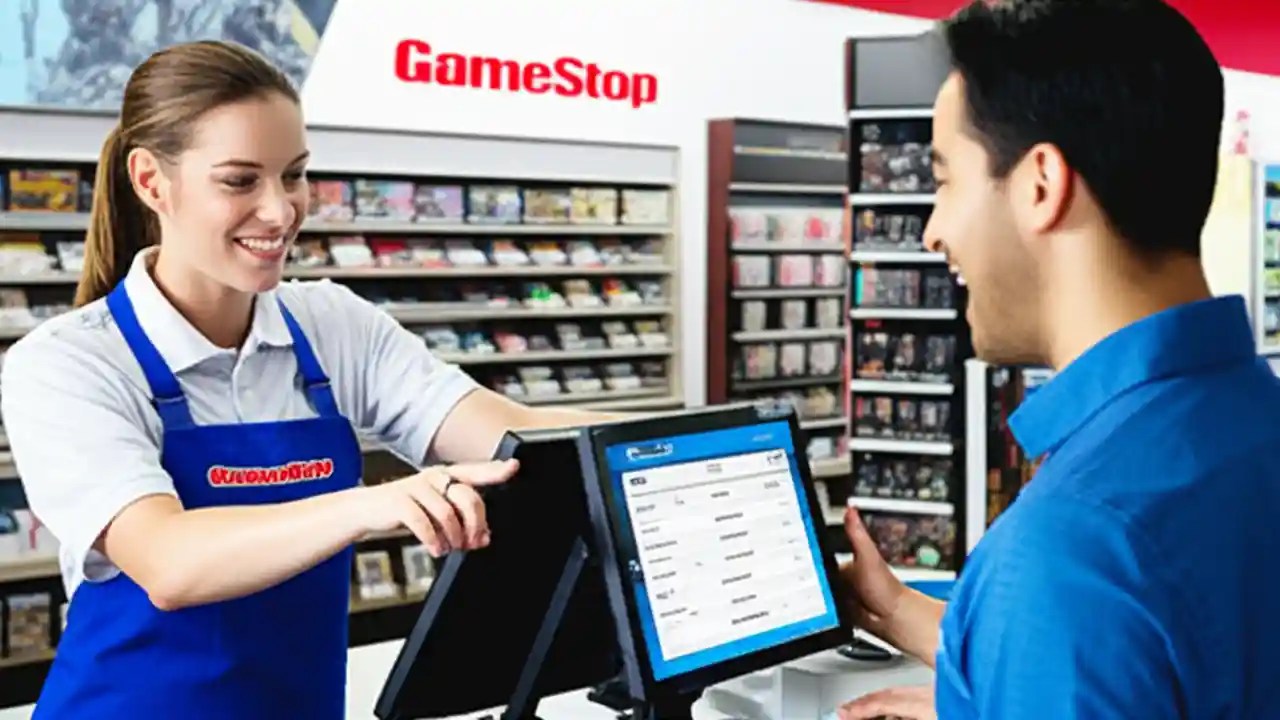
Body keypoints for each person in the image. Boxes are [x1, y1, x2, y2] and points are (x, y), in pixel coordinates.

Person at [0, 40, 620, 719]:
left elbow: (507, 432)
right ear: (151, 181)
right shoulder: (67, 364)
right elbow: (171, 563)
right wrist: (367, 505)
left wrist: (702, 443)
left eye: (293, 175)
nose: (280, 211)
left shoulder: (331, 324)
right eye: (240, 181)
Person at [837, 1, 1280, 718]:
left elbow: (1097, 610)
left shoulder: (1073, 545)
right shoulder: (1251, 419)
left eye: (945, 181)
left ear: (1041, 184)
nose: (932, 232)